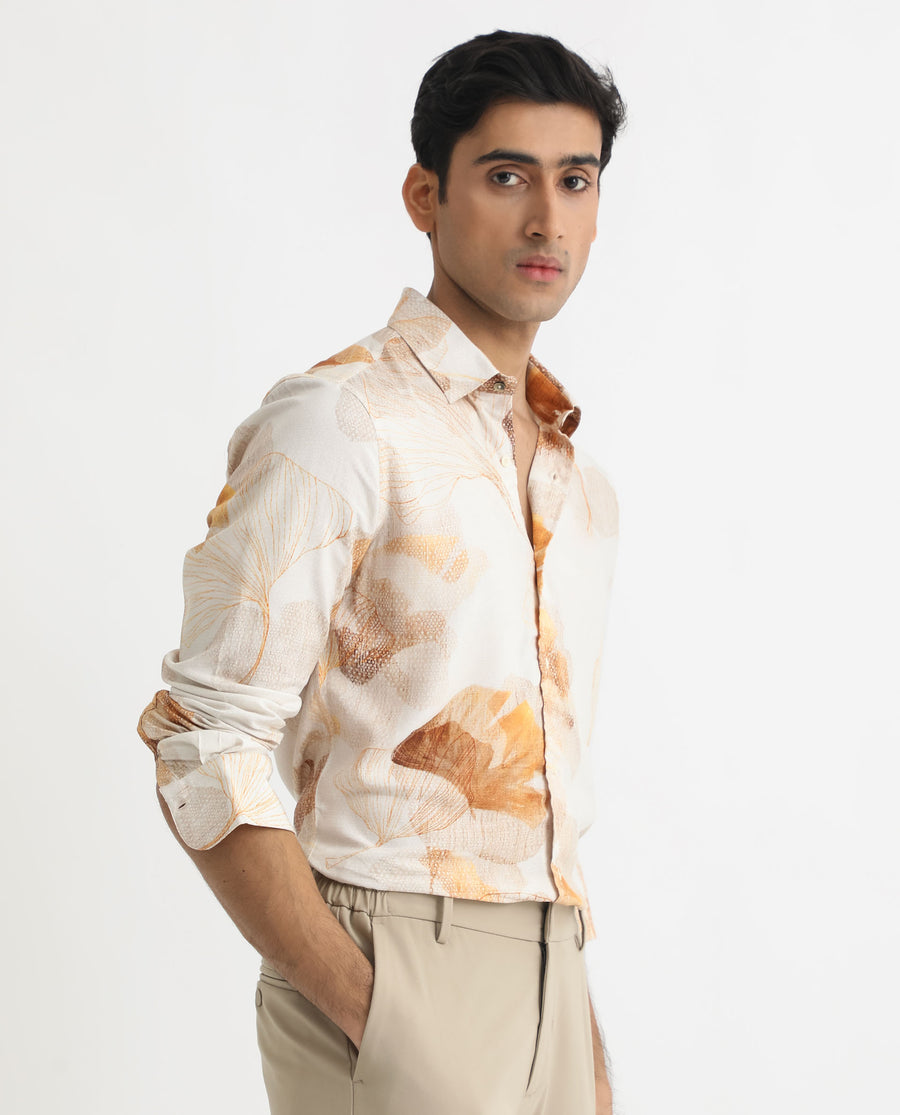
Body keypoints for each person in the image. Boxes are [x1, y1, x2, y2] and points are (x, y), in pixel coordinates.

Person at [138, 28, 626, 1115]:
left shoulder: (578, 483)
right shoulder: (340, 423)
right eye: (507, 176)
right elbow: (201, 734)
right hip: (390, 956)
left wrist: (583, 1043)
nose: (547, 220)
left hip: (554, 973)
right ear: (425, 195)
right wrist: (368, 1003)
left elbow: (545, 810)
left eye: (576, 180)